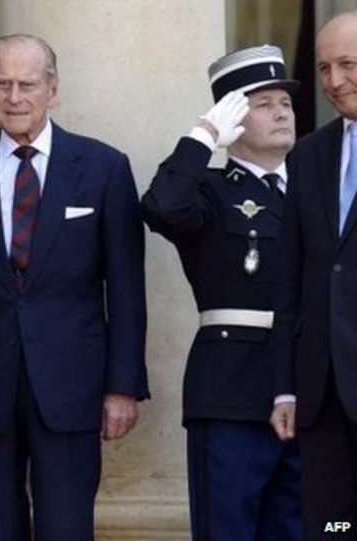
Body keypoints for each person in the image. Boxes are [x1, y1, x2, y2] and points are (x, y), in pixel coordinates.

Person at [0, 34, 148, 540]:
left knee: (68, 529)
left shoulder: (103, 169)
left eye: (27, 84)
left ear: (53, 89)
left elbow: (127, 287)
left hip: (73, 385)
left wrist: (122, 387)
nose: (14, 97)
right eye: (1, 84)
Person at [142, 45, 302, 540]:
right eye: (263, 103)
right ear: (232, 115)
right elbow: (162, 207)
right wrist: (203, 136)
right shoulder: (209, 190)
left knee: (319, 526)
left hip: (312, 389)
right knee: (227, 530)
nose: (281, 112)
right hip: (234, 390)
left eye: (287, 103)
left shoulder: (317, 184)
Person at [271, 10, 357, 539]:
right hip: (322, 395)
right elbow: (291, 280)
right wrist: (285, 389)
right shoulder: (306, 157)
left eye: (348, 64)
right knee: (334, 526)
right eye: (324, 68)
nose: (333, 81)